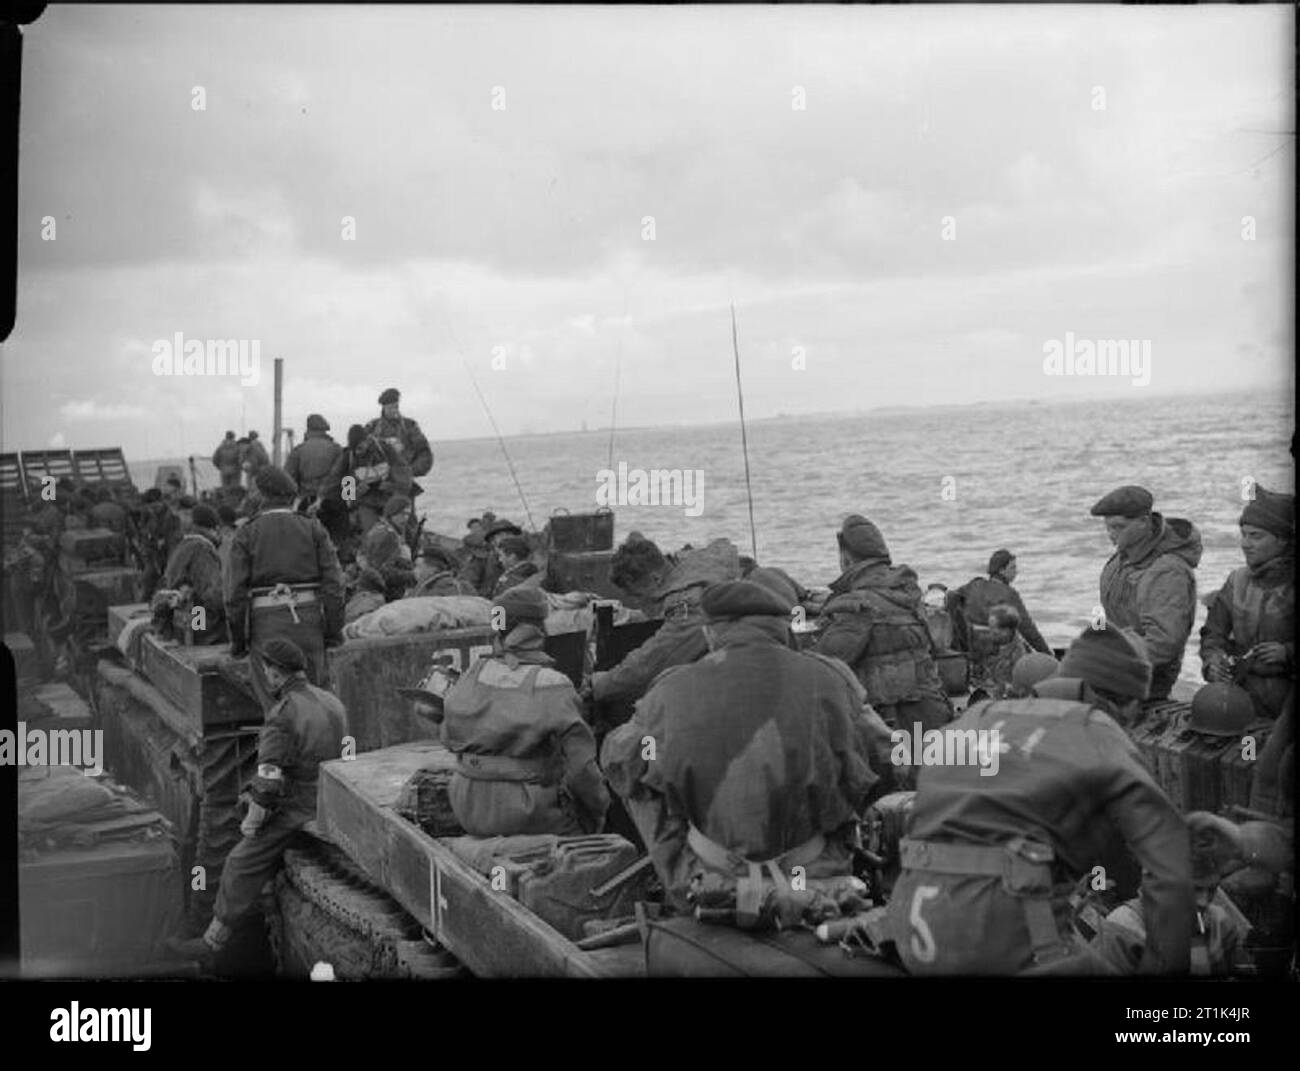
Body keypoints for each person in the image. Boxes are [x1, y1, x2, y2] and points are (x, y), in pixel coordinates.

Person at [886, 625, 1193, 975]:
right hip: (1005, 936)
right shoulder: (1097, 728)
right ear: (1126, 703)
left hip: (910, 922)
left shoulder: (974, 717)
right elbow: (1171, 869)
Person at [601, 579, 887, 919]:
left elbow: (619, 760)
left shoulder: (671, 689)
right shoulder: (833, 679)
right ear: (785, 629)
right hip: (814, 877)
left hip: (712, 881)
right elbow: (888, 758)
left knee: (637, 768)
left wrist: (662, 757)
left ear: (710, 634)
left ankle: (679, 875)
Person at [167, 638, 349, 966]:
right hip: (336, 795)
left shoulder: (282, 714)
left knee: (239, 862)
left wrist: (252, 823)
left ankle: (212, 943)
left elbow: (268, 781)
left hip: (302, 804)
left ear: (277, 674)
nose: (265, 676)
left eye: (267, 670)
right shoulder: (333, 701)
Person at [438, 587, 608, 837]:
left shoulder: (473, 673)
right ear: (540, 628)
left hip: (466, 805)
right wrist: (600, 807)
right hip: (524, 813)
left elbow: (447, 736)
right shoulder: (552, 683)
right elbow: (582, 768)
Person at [813, 514, 953, 743]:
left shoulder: (855, 605)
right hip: (932, 716)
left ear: (846, 558)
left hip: (888, 726)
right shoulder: (908, 593)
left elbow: (823, 665)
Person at [226, 466, 345, 712]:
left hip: (267, 627)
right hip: (309, 624)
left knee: (277, 710)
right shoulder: (314, 528)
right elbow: (335, 587)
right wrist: (333, 632)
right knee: (317, 701)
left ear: (260, 495)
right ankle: (323, 749)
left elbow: (234, 597)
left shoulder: (246, 533)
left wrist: (238, 643)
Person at [588, 537, 740, 715]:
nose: (639, 602)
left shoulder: (687, 602)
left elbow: (659, 657)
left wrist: (602, 684)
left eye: (637, 595)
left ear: (655, 579)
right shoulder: (701, 568)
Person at [1091, 485, 1202, 701]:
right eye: (1108, 527)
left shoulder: (1167, 571)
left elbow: (1164, 643)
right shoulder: (1121, 559)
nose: (1111, 534)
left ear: (1143, 523)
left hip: (1149, 676)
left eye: (1118, 527)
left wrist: (1113, 662)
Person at [1199, 486, 1294, 722]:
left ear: (1282, 541)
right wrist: (1214, 662)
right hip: (1243, 699)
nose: (1245, 544)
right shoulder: (1236, 581)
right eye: (1244, 534)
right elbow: (1213, 634)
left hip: (1288, 702)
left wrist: (1287, 653)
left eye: (1256, 536)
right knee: (1242, 753)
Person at [949, 550, 1051, 655]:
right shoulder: (1009, 593)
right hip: (995, 648)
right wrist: (1047, 653)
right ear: (1001, 570)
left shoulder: (973, 585)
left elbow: (950, 597)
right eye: (1012, 568)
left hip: (970, 644)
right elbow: (1028, 629)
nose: (1016, 572)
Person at [321, 423, 412, 537]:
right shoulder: (349, 457)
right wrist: (356, 492)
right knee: (371, 536)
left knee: (398, 534)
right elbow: (335, 482)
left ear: (367, 440)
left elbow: (404, 474)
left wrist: (390, 486)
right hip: (366, 503)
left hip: (390, 500)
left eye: (359, 448)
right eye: (354, 449)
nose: (357, 452)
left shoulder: (385, 450)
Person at [160, 503, 227, 644]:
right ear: (214, 528)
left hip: (180, 619)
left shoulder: (184, 545)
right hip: (198, 622)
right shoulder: (202, 548)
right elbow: (212, 594)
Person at [364, 388, 434, 497]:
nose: (394, 410)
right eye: (390, 407)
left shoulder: (409, 426)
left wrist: (408, 472)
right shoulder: (372, 428)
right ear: (383, 407)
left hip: (403, 486)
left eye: (396, 406)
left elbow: (425, 454)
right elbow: (359, 457)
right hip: (377, 487)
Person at [966, 604, 1032, 702]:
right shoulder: (990, 642)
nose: (990, 632)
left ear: (1006, 631)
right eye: (989, 627)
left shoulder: (1020, 656)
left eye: (993, 629)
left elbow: (1018, 689)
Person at [283, 414, 342, 502]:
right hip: (333, 503)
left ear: (308, 428)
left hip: (305, 502)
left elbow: (287, 479)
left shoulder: (299, 450)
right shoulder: (337, 449)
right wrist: (349, 502)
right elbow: (348, 476)